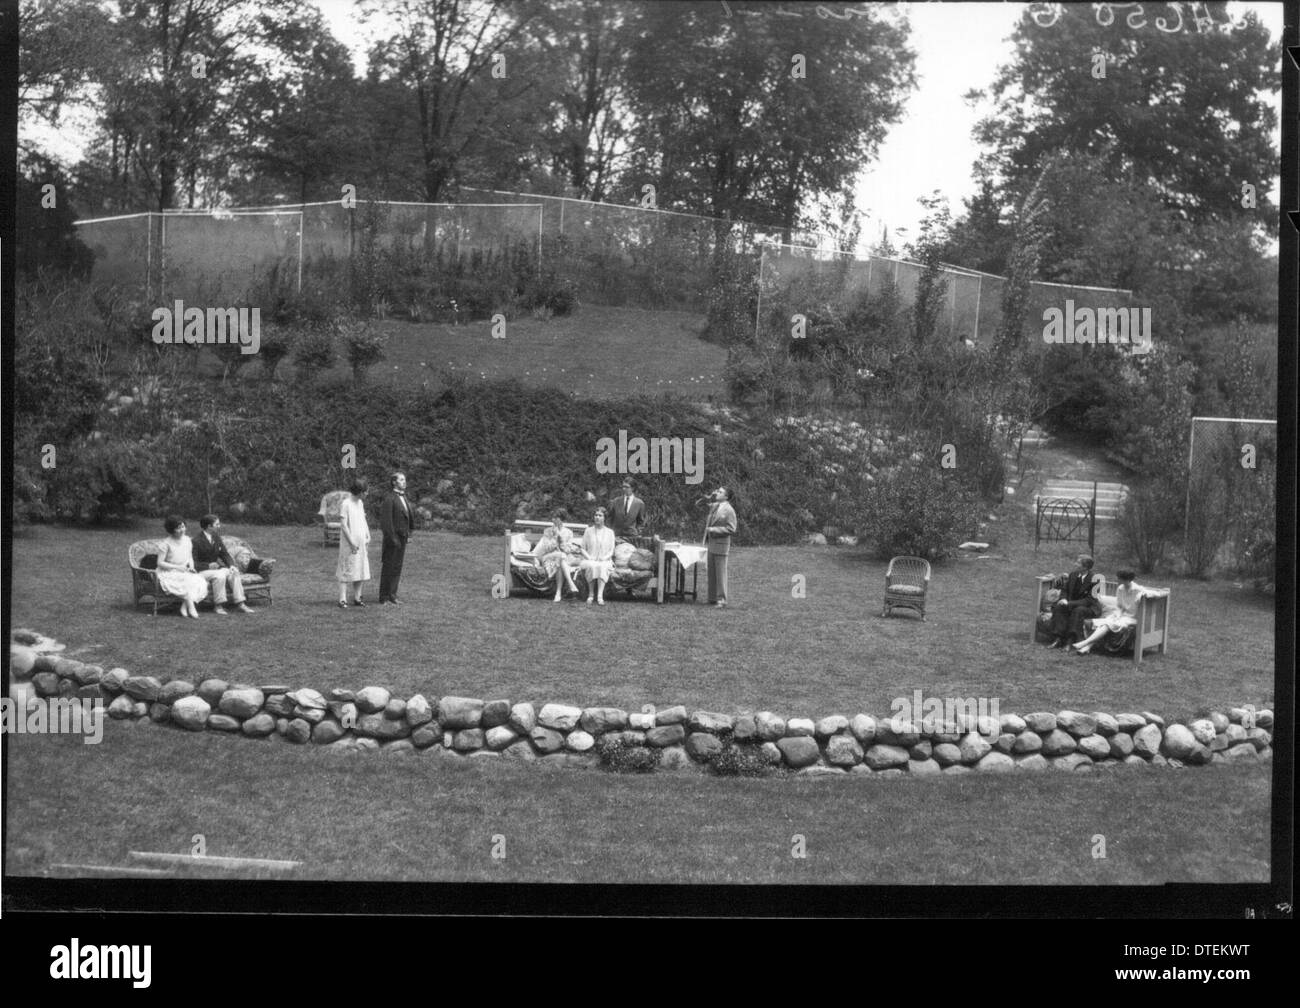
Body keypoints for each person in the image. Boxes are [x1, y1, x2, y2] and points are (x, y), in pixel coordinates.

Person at [1071, 570, 1165, 655]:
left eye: (1119, 579)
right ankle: (1087, 647)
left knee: (1108, 625)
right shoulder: (1120, 588)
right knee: (1104, 623)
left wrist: (1143, 594)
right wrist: (1117, 614)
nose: (1117, 580)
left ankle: (1085, 643)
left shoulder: (1138, 589)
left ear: (1127, 580)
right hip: (1122, 616)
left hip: (1133, 618)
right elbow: (1119, 606)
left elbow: (1158, 593)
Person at [192, 514, 256, 615]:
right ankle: (218, 605)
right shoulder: (196, 541)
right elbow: (192, 563)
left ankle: (241, 603)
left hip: (216, 570)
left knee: (233, 573)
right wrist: (207, 566)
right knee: (220, 575)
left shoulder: (216, 537)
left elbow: (224, 554)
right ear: (209, 526)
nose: (219, 526)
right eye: (217, 524)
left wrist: (232, 565)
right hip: (201, 572)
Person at [155, 515, 210, 619]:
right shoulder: (165, 544)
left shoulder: (187, 540)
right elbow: (160, 563)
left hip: (183, 571)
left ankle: (184, 607)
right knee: (187, 581)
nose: (181, 530)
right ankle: (191, 606)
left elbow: (189, 556)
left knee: (199, 581)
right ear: (172, 529)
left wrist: (192, 567)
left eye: (183, 527)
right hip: (168, 572)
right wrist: (177, 567)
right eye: (178, 528)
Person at [1047, 554, 1104, 648]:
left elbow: (1090, 600)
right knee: (1059, 607)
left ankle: (1070, 640)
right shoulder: (1073, 575)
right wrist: (1063, 599)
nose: (1075, 564)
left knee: (1078, 610)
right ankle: (1058, 638)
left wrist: (1069, 603)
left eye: (1078, 563)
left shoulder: (1096, 579)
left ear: (1085, 567)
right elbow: (1065, 590)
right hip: (1072, 604)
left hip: (1089, 607)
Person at [379, 471, 414, 606]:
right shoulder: (390, 498)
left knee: (397, 567)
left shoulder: (404, 497)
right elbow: (386, 522)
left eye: (404, 479)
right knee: (388, 567)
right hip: (392, 539)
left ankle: (393, 595)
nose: (404, 482)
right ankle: (383, 597)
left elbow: (408, 517)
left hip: (403, 537)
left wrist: (409, 533)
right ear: (394, 482)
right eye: (401, 480)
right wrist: (393, 539)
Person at [336, 478, 372, 609]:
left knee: (360, 568)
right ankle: (342, 599)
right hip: (349, 543)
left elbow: (363, 519)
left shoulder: (360, 503)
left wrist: (368, 534)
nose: (367, 494)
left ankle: (357, 597)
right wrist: (351, 543)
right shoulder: (346, 504)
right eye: (365, 491)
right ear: (359, 491)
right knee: (346, 569)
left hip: (361, 542)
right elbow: (344, 526)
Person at [532, 509, 580, 602]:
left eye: (556, 518)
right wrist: (555, 537)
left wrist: (561, 540)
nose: (553, 520)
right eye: (552, 517)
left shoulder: (569, 532)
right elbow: (546, 548)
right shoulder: (547, 531)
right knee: (561, 556)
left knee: (560, 560)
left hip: (563, 559)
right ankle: (571, 584)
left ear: (561, 519)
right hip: (548, 558)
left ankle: (558, 593)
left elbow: (568, 550)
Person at [702, 486, 737, 607]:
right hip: (712, 544)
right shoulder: (715, 505)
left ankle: (722, 600)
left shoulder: (729, 510)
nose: (717, 492)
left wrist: (713, 529)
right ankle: (712, 598)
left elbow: (732, 528)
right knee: (711, 572)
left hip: (721, 546)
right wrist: (709, 496)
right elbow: (700, 505)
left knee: (720, 573)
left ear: (726, 496)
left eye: (720, 492)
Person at [578, 507, 616, 605]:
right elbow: (582, 548)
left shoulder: (610, 532)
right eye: (596, 515)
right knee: (592, 566)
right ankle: (591, 594)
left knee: (602, 566)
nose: (597, 517)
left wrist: (604, 558)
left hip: (605, 560)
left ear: (604, 518)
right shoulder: (588, 531)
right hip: (590, 559)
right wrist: (589, 557)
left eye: (600, 515)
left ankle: (600, 595)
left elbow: (612, 550)